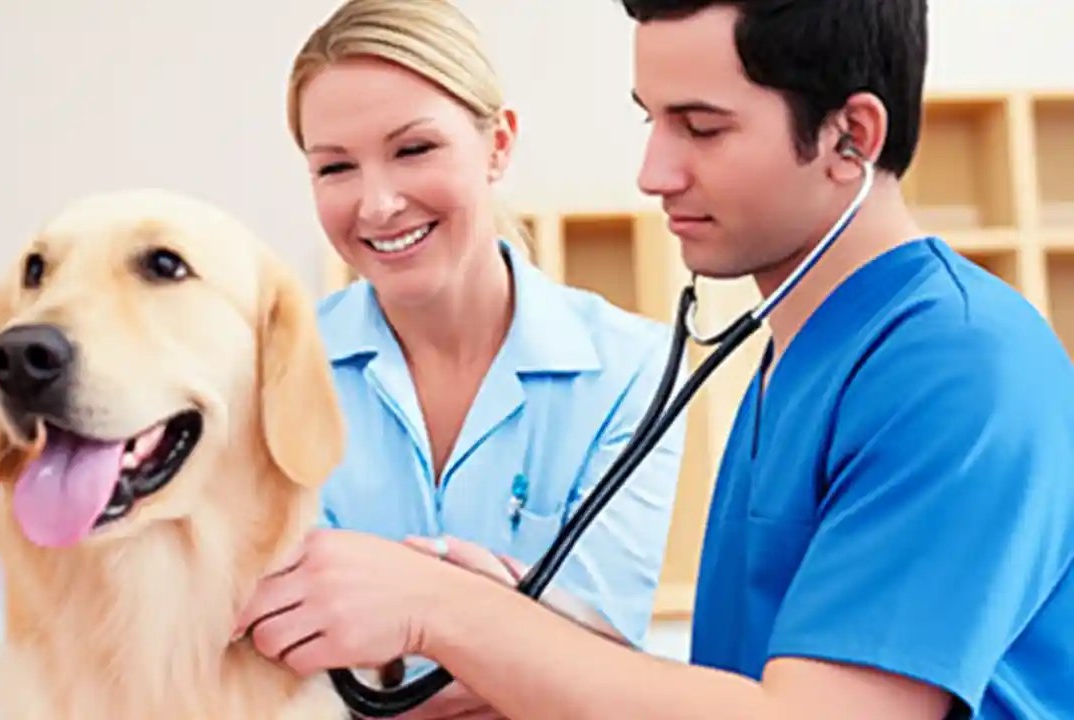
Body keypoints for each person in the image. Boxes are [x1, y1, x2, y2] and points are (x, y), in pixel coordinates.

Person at [236, 1, 1074, 718]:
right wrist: (528, 633)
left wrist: (443, 613)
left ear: (849, 137)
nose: (652, 172)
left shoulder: (958, 364)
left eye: (701, 127)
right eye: (652, 119)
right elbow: (741, 692)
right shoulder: (796, 356)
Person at [253, 0, 687, 716]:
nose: (379, 203)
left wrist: (413, 614)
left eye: (413, 149)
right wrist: (509, 624)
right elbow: (288, 655)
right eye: (335, 167)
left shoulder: (633, 371)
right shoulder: (272, 373)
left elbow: (601, 668)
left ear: (498, 144)